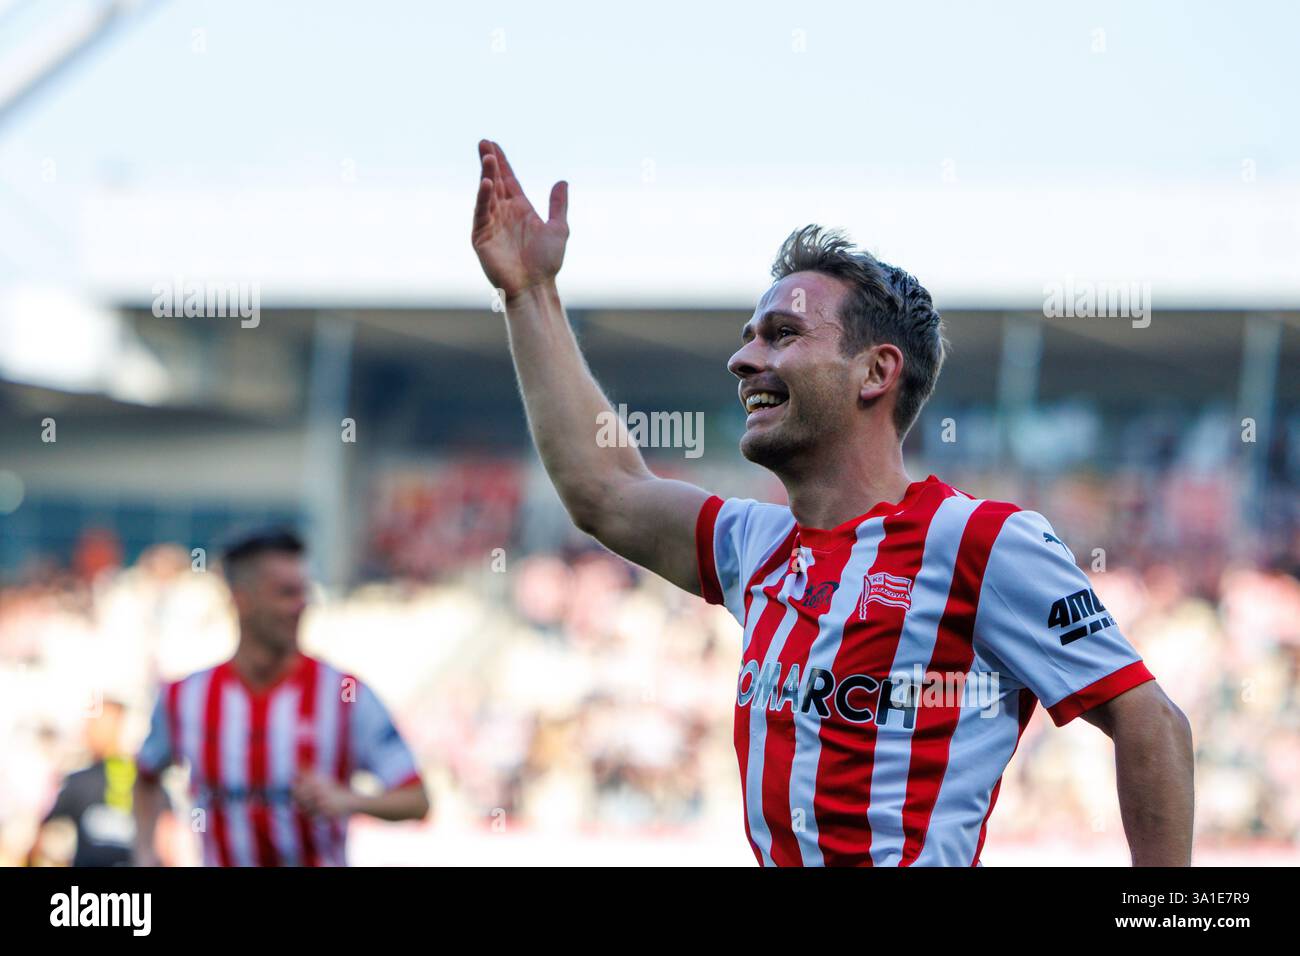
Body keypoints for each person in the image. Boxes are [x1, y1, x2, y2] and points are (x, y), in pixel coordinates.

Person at [469, 139, 1194, 866]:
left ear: (875, 372)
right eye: (749, 339)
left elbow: (1150, 722)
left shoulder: (981, 543)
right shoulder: (757, 544)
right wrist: (529, 294)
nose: (743, 360)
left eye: (782, 335)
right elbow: (605, 490)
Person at [133, 528, 429, 866]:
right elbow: (146, 777)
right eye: (286, 593)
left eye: (304, 592)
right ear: (242, 599)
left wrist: (348, 800)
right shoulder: (185, 698)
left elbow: (417, 799)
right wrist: (144, 851)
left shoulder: (344, 695)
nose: (300, 606)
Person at [29, 697, 175, 867]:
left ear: (117, 725)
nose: (86, 730)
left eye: (94, 724)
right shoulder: (79, 780)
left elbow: (168, 840)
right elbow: (40, 835)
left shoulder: (145, 783)